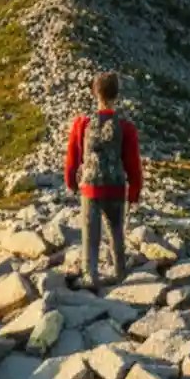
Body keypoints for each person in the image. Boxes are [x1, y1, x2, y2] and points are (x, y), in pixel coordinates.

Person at [64, 71, 143, 288]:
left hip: (90, 188)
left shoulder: (83, 123)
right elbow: (133, 164)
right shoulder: (126, 127)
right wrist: (134, 192)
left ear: (94, 93)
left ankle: (91, 276)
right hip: (116, 188)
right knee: (116, 231)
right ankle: (119, 272)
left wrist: (71, 181)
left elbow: (73, 156)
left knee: (90, 233)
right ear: (116, 95)